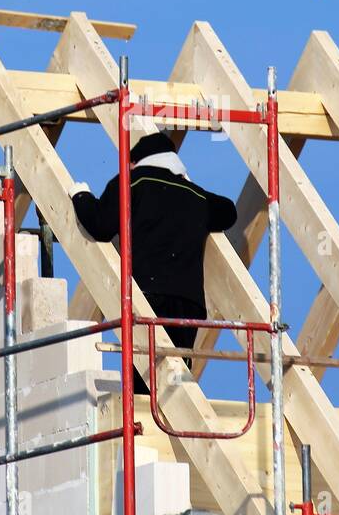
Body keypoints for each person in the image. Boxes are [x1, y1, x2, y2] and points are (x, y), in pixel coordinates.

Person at [71, 132, 237, 393]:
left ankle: (140, 429)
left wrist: (80, 196)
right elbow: (229, 212)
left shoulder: (132, 184)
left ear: (136, 162)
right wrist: (189, 187)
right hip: (188, 305)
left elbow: (100, 226)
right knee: (173, 386)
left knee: (143, 379)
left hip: (147, 298)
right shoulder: (196, 196)